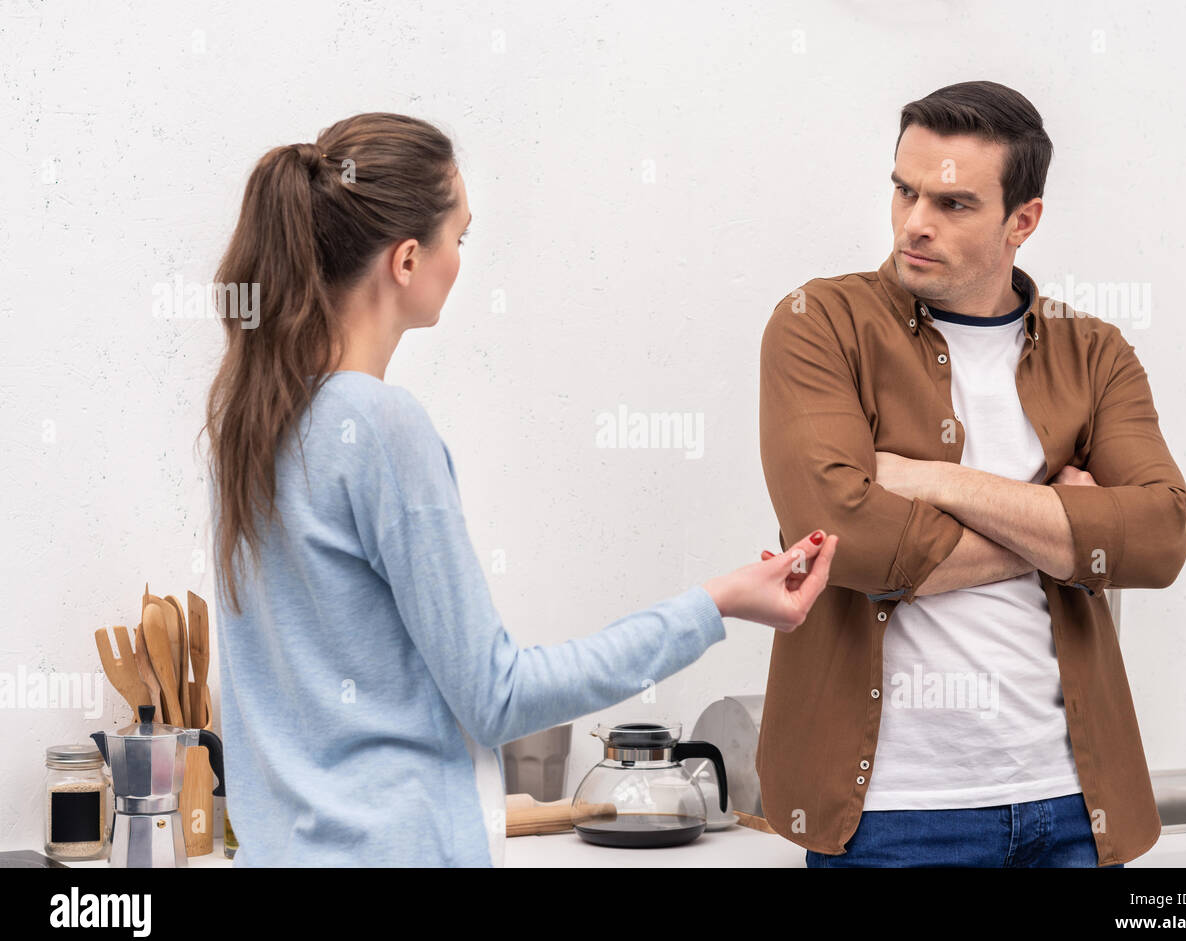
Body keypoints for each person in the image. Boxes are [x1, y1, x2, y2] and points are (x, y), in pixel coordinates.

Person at [201, 112, 838, 867]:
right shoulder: (378, 425)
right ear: (407, 259)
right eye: (459, 237)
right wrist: (716, 602)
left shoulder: (251, 422)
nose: (462, 260)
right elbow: (497, 696)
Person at [756, 81, 1186, 868]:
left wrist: (935, 481)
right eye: (904, 190)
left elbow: (1157, 540)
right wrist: (1064, 525)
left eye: (953, 204)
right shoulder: (819, 323)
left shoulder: (1093, 350)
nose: (914, 222)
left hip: (1072, 804)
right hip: (891, 817)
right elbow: (846, 541)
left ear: (1023, 220)